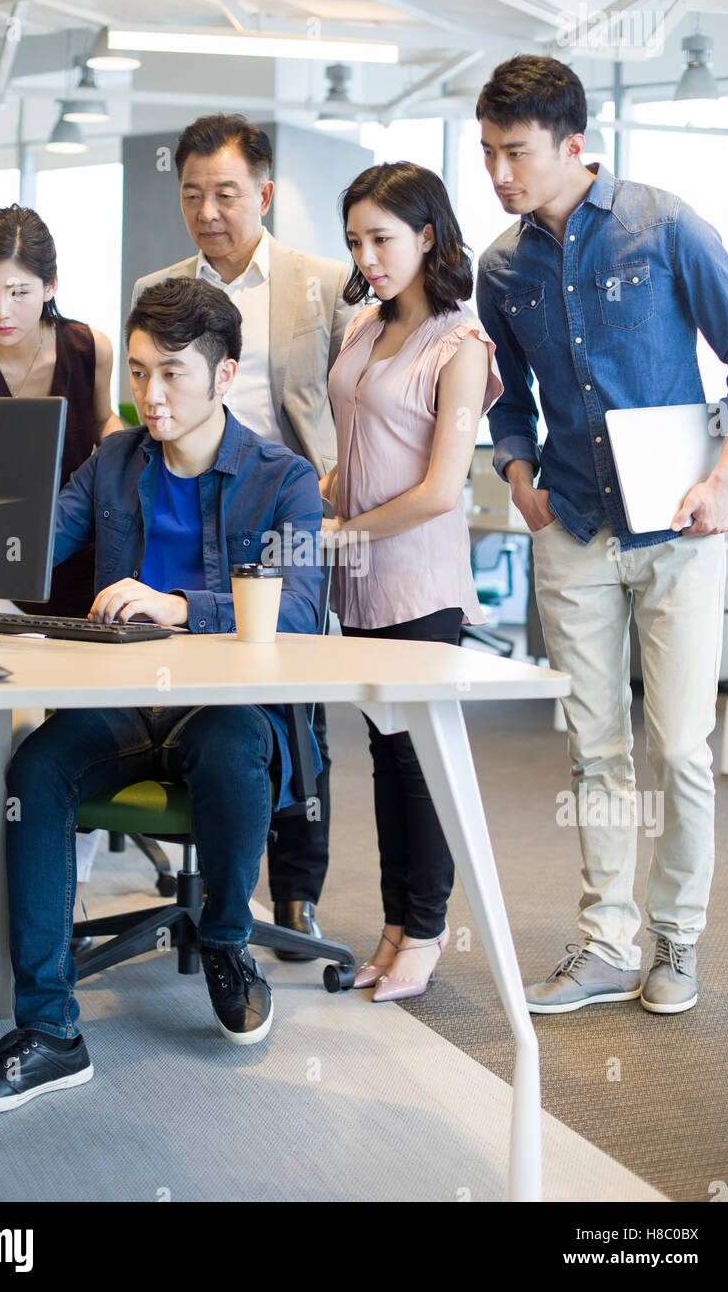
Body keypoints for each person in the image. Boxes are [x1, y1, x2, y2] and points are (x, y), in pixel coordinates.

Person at [0, 276, 324, 1114]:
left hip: (223, 707)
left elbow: (298, 608)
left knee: (232, 755)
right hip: (121, 703)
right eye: (141, 372)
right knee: (36, 771)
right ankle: (49, 1031)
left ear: (224, 377)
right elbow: (29, 548)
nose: (150, 395)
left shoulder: (283, 479)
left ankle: (225, 939)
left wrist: (180, 606)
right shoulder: (114, 461)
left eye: (173, 374)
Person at [474, 55, 728, 1016]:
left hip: (678, 523)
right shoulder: (502, 267)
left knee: (677, 746)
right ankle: (604, 941)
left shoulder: (663, 224)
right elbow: (506, 393)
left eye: (516, 152)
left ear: (573, 144)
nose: (500, 172)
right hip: (576, 523)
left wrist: (725, 475)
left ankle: (677, 942)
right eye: (487, 152)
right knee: (596, 750)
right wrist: (517, 474)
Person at [132, 113, 356, 955]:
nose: (209, 210)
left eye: (226, 193)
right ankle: (214, 882)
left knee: (295, 704)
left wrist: (334, 483)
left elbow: (352, 391)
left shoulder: (319, 282)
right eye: (192, 194)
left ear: (262, 192)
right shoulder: (161, 285)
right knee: (200, 698)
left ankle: (296, 896)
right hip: (194, 511)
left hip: (284, 509)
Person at [323, 162, 501, 1001]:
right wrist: (317, 502)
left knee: (419, 761)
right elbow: (353, 451)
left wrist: (340, 532)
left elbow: (438, 489)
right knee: (385, 752)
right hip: (355, 579)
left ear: (428, 235)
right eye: (355, 240)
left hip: (419, 583)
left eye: (382, 238)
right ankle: (396, 924)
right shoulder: (362, 326)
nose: (368, 255)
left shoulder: (460, 345)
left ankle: (425, 932)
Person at [0, 203, 123, 937]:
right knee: (12, 738)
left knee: (84, 732)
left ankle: (68, 886)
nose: (0, 310)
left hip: (87, 572)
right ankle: (7, 900)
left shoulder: (90, 347)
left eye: (17, 291)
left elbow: (112, 440)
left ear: (51, 284)